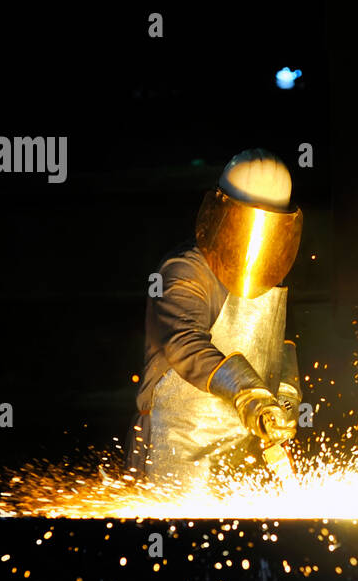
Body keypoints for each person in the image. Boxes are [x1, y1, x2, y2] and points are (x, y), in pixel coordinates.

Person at [126, 149, 303, 486]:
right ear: (223, 213)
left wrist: (285, 402)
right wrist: (250, 394)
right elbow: (184, 342)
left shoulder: (269, 276)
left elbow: (279, 345)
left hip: (239, 454)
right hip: (174, 451)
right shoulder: (184, 271)